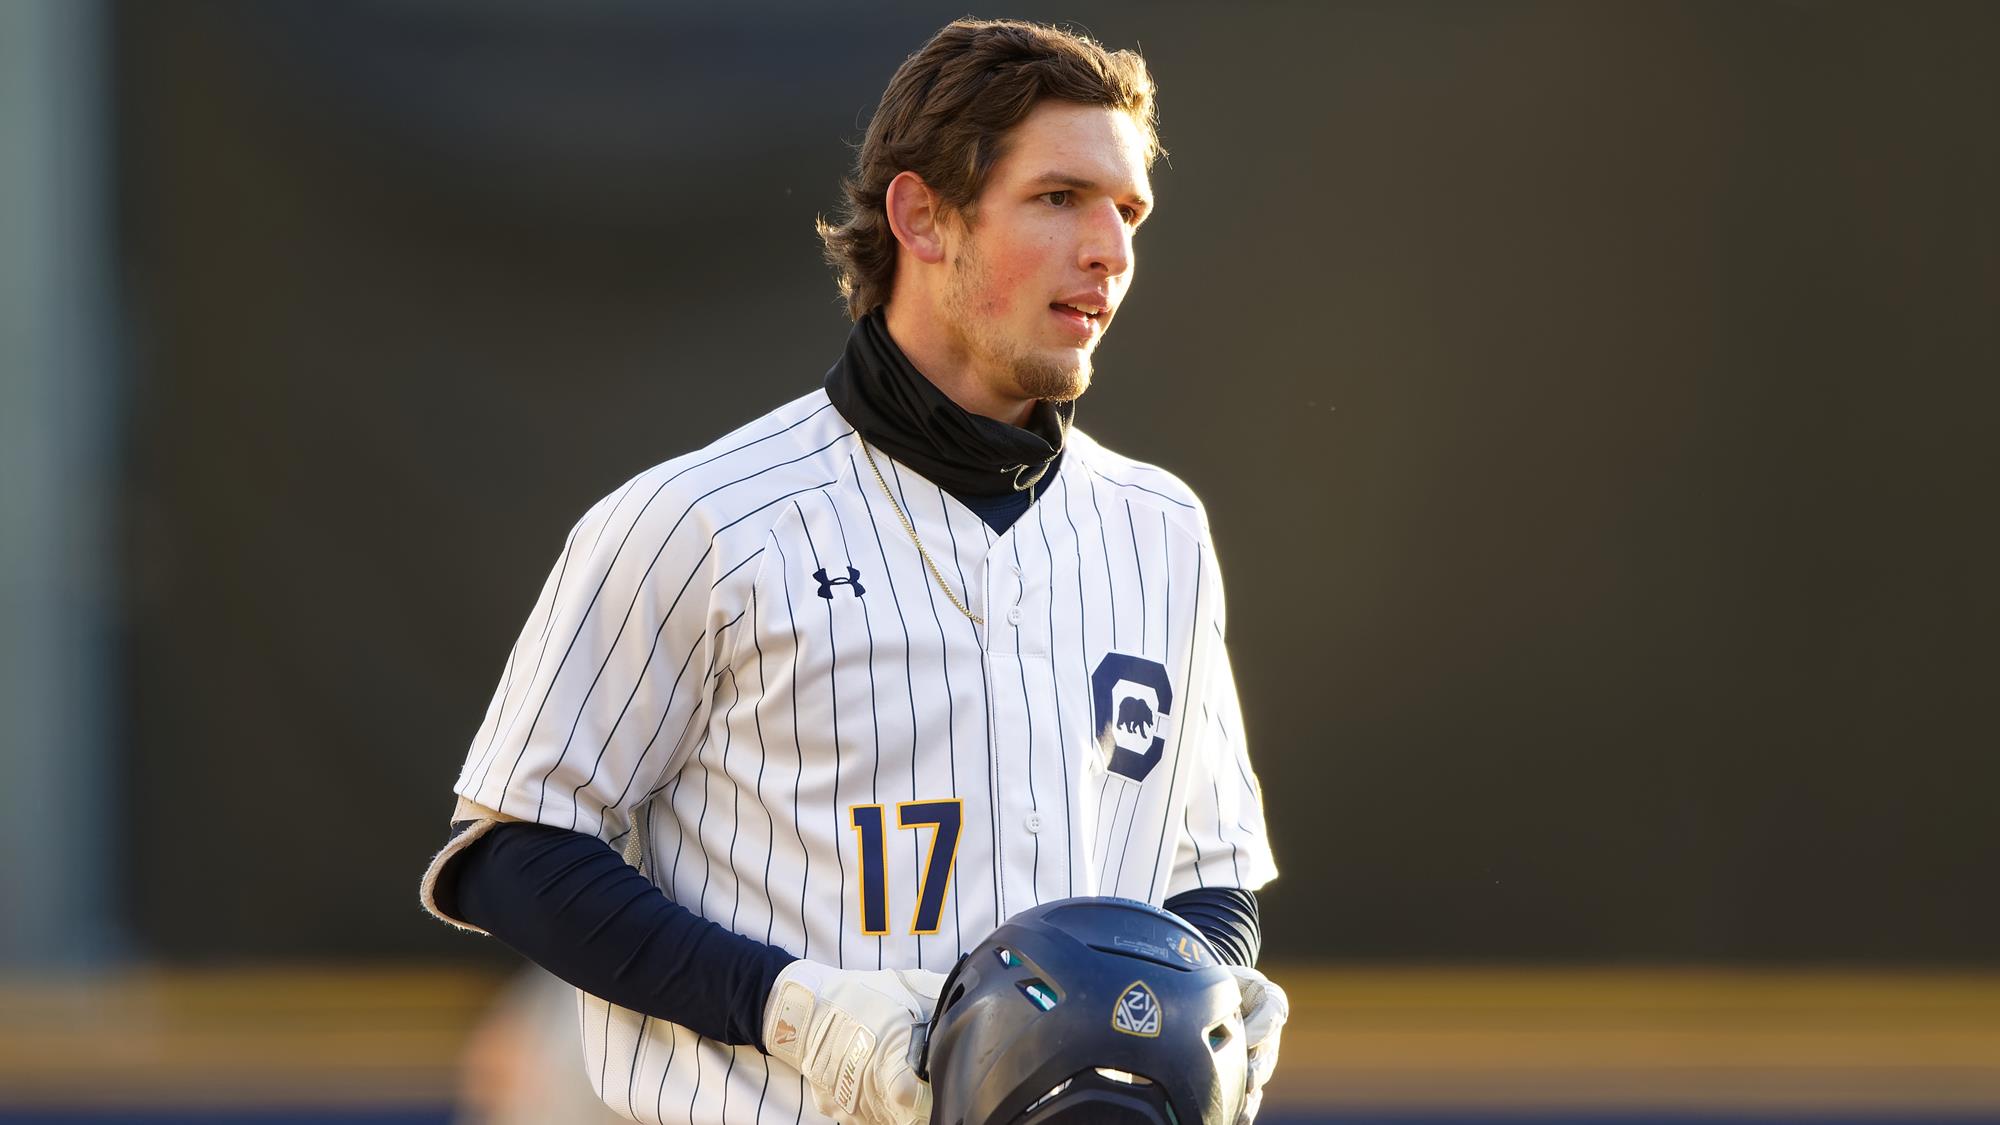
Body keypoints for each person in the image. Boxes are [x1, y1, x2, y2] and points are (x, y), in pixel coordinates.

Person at [420, 18, 1285, 1125]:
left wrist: (1197, 987)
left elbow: (1207, 862)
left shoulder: (1158, 528)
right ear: (920, 215)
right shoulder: (700, 520)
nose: (1109, 249)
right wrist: (791, 1008)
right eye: (1058, 197)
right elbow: (514, 853)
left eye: (1128, 211)